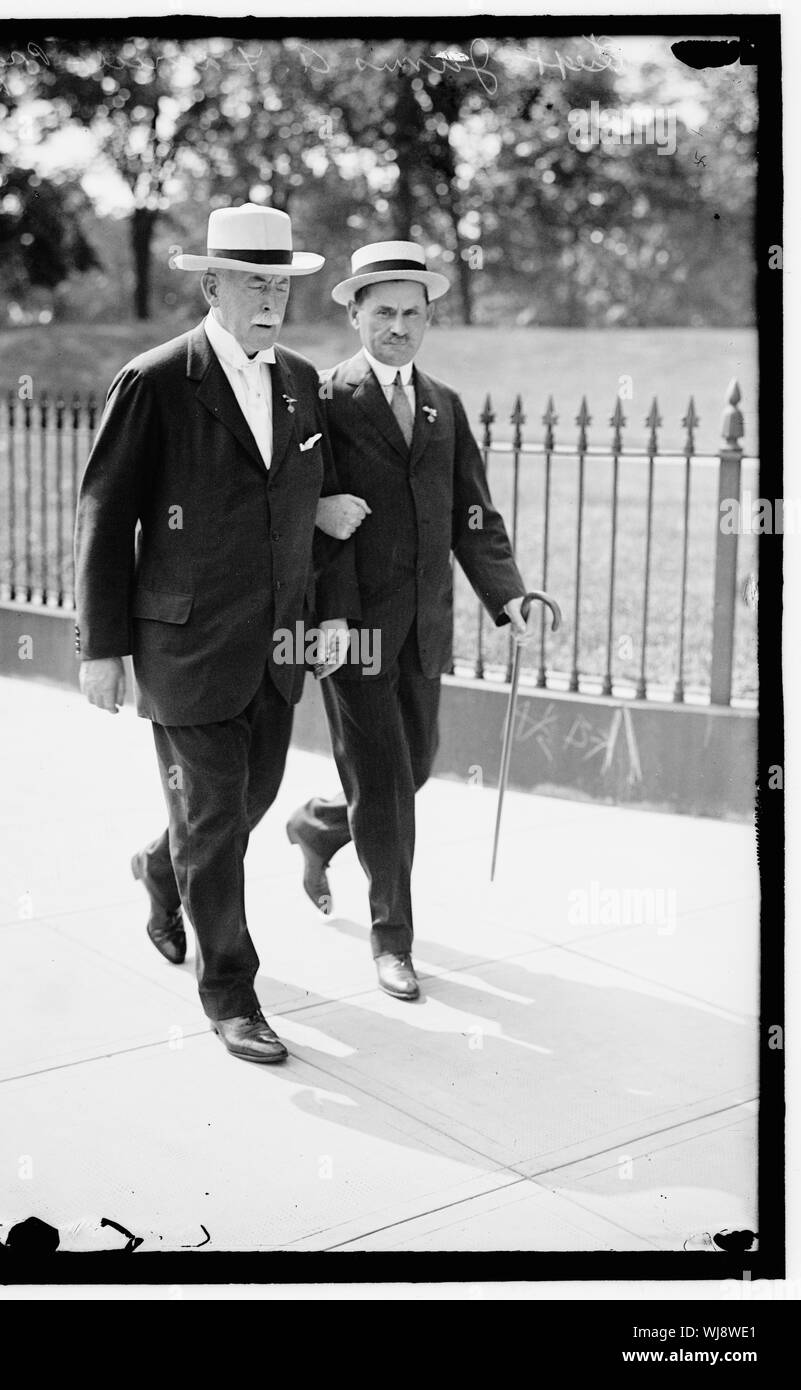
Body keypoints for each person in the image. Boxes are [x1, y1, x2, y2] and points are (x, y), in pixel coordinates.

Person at [74, 203, 358, 1064]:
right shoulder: (158, 380)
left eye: (280, 283)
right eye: (252, 282)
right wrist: (100, 646)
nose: (269, 297)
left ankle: (160, 873)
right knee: (212, 824)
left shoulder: (302, 383)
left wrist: (330, 608)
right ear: (212, 285)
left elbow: (315, 506)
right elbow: (104, 514)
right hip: (184, 651)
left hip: (276, 651)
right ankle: (231, 992)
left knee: (238, 808)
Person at [288, 240, 528, 1002]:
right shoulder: (322, 400)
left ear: (428, 320)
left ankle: (320, 825)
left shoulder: (444, 407)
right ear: (355, 313)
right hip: (348, 629)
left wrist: (507, 594)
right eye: (383, 312)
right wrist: (325, 617)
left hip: (424, 629)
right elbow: (306, 524)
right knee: (388, 784)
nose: (398, 326)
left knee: (413, 765)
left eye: (412, 314)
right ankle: (392, 941)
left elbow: (473, 517)